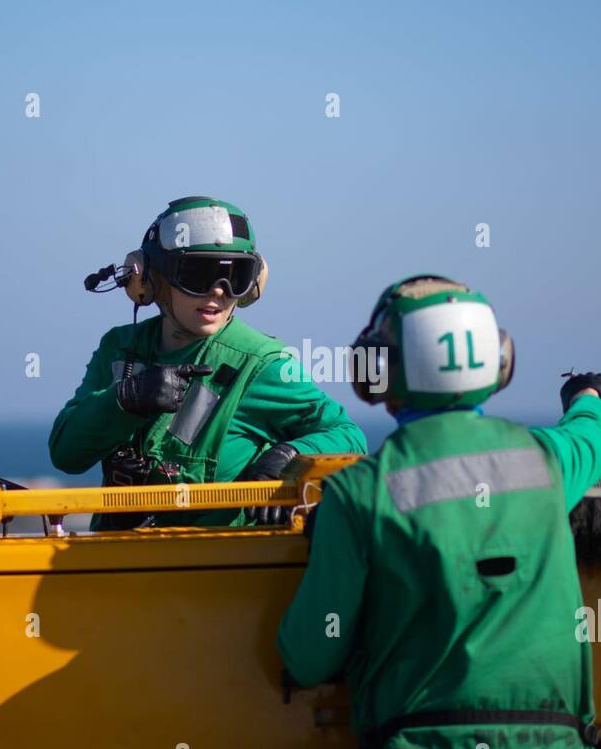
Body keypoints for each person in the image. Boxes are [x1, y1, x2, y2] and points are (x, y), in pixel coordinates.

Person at [277, 275, 601, 749]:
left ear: (380, 372)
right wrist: (587, 396)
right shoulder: (546, 462)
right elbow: (594, 437)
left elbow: (310, 657)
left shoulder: (358, 494)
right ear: (499, 361)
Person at [49, 196, 366, 529]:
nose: (218, 292)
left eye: (236, 275)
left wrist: (287, 456)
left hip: (214, 568)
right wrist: (123, 400)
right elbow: (66, 454)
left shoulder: (261, 363)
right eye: (199, 275)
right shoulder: (118, 348)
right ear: (150, 278)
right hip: (117, 564)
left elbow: (348, 435)